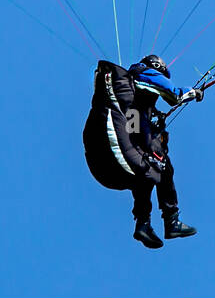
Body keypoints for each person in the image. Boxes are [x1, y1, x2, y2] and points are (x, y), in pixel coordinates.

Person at [82, 54, 203, 249]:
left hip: (102, 167)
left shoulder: (131, 108)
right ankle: (171, 221)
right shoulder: (146, 73)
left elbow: (138, 136)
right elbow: (175, 95)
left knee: (147, 167)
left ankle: (143, 224)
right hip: (113, 158)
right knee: (161, 166)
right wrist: (194, 92)